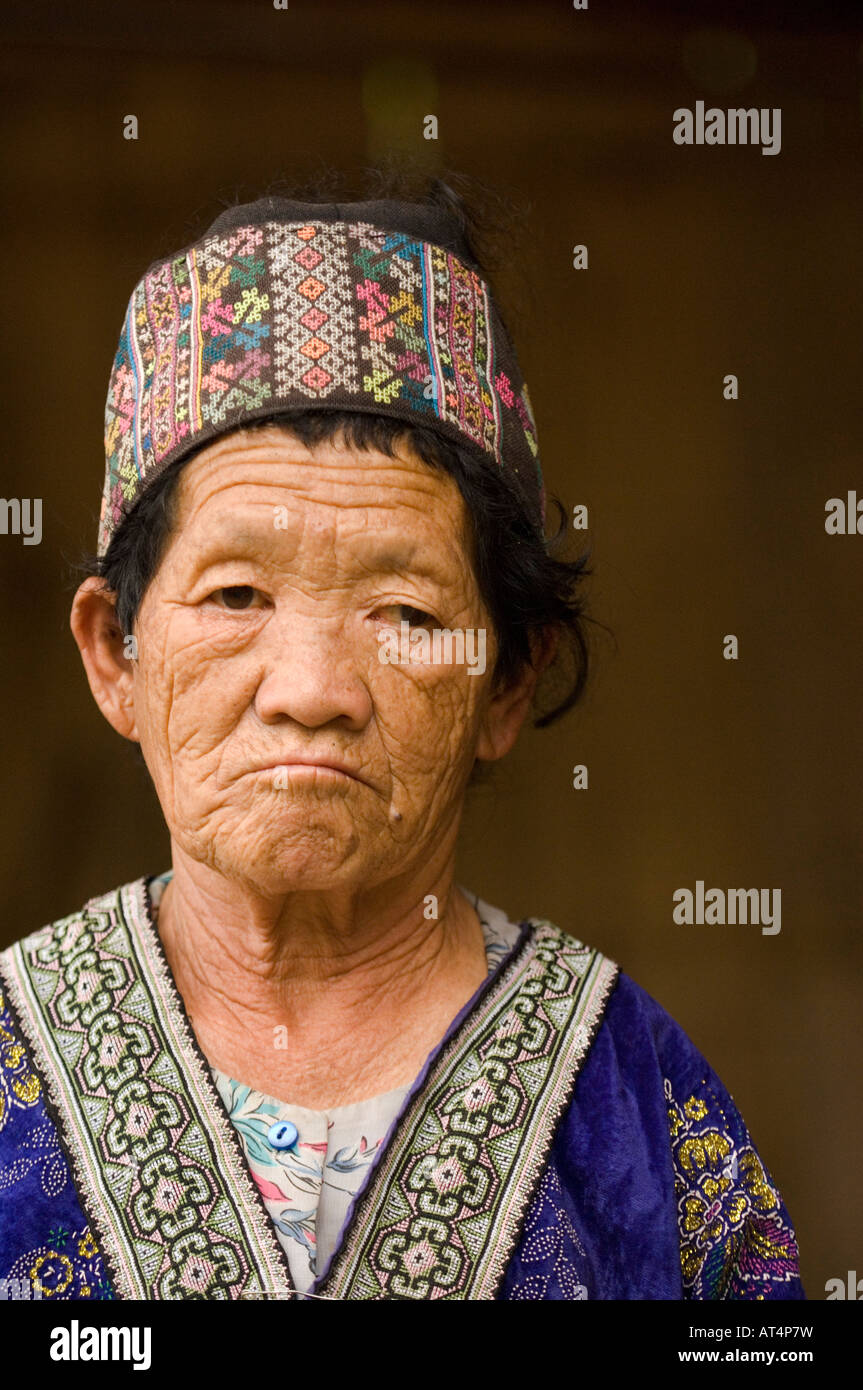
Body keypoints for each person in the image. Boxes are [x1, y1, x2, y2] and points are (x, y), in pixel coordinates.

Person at [0, 179, 804, 1301]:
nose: (313, 689)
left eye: (405, 615)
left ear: (505, 683)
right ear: (115, 654)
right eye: (235, 594)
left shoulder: (637, 1104)